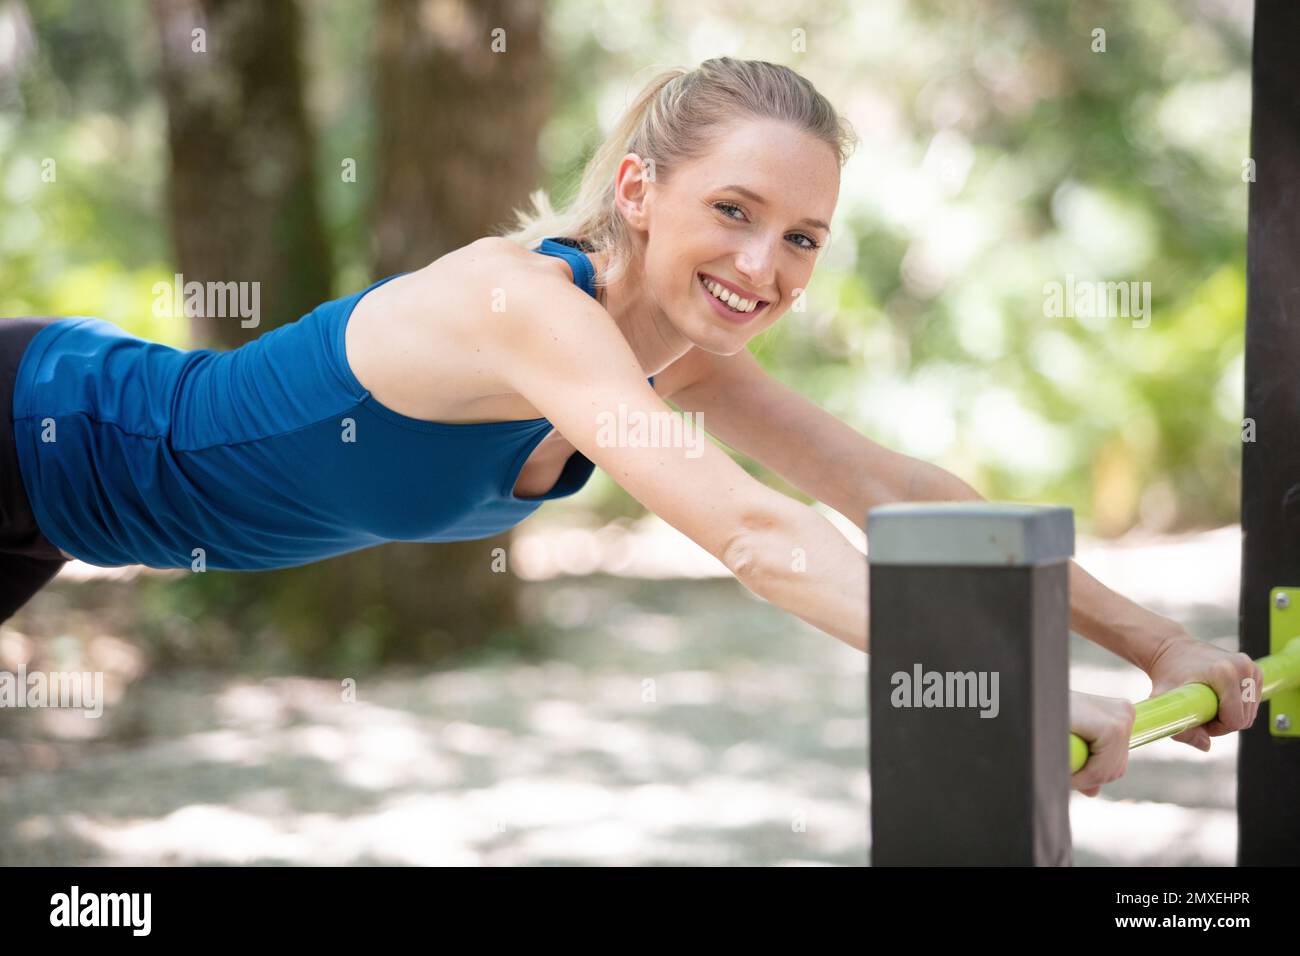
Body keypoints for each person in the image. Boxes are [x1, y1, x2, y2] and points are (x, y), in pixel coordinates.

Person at [0, 58, 1260, 796]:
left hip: (56, 513)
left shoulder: (679, 352)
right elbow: (761, 537)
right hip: (27, 419)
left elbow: (889, 488)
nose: (764, 264)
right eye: (734, 209)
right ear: (641, 192)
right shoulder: (524, 306)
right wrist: (1020, 681)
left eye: (803, 237)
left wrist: (1156, 642)